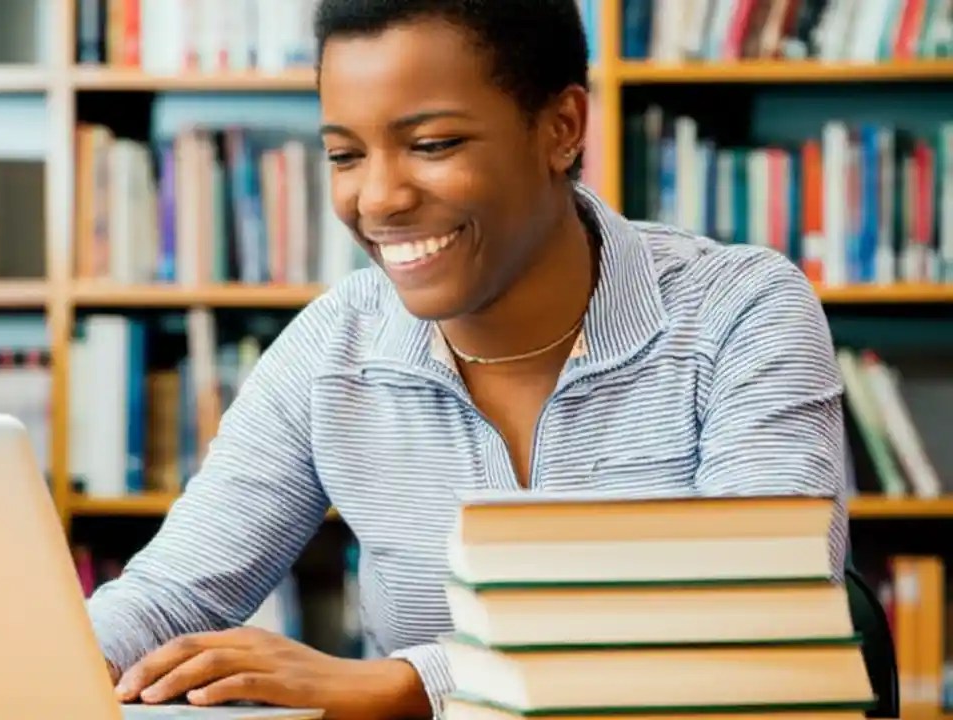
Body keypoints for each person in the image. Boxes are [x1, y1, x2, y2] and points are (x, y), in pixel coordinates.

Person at [87, 0, 851, 718]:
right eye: (345, 155)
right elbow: (167, 596)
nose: (378, 198)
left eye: (431, 145)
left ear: (561, 127)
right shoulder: (334, 346)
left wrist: (412, 684)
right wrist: (40, 661)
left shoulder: (741, 312)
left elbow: (762, 614)